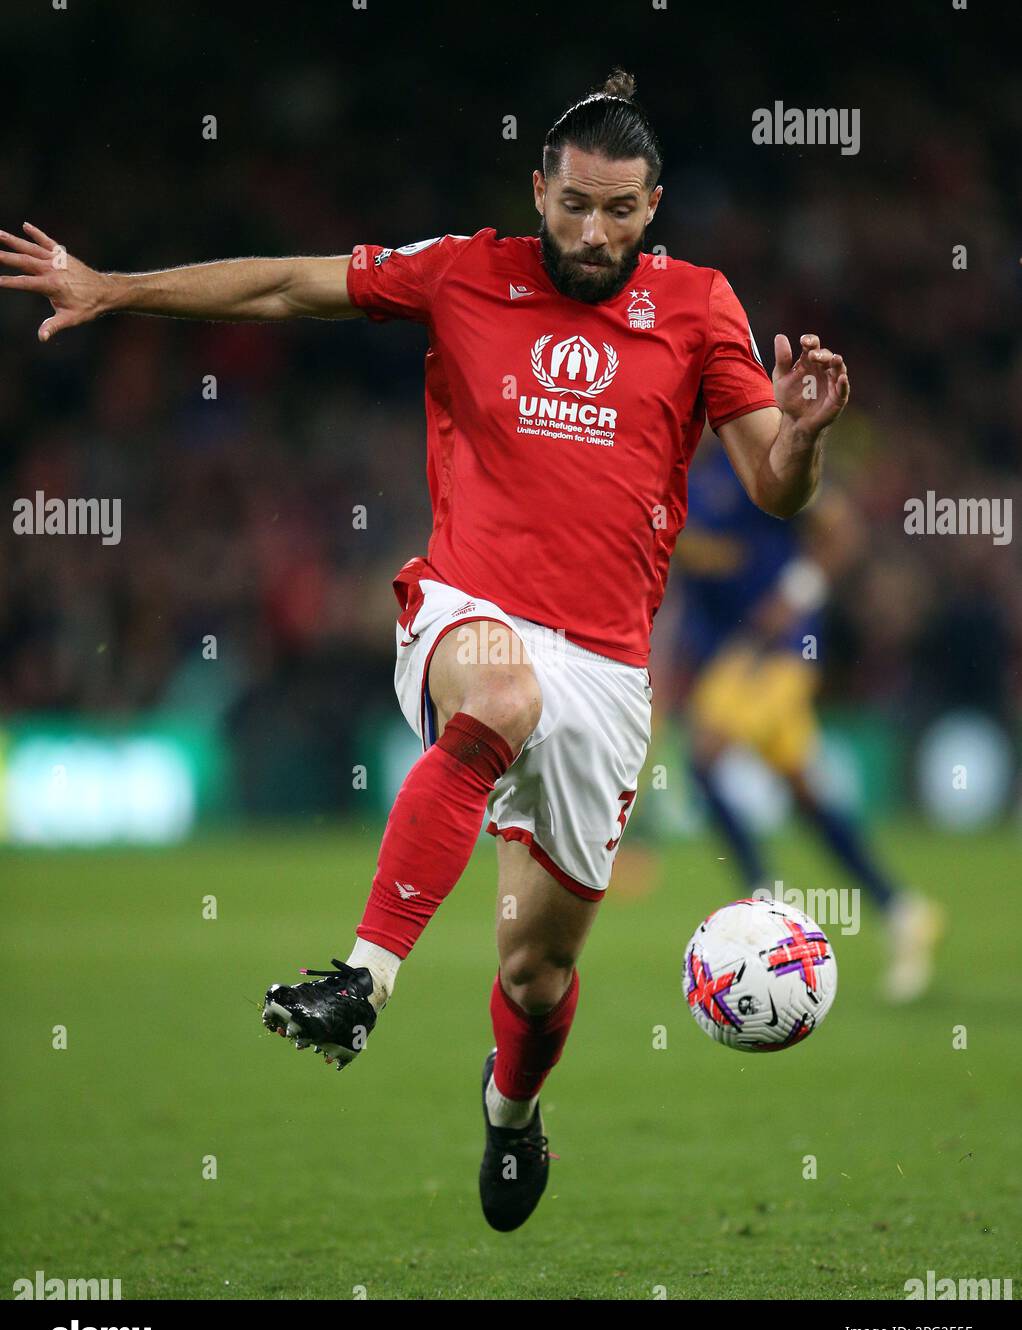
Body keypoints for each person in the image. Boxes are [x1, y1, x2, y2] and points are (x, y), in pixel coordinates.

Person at [0, 68, 850, 1232]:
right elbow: (293, 287)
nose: (591, 231)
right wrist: (116, 288)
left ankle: (509, 1112)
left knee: (532, 978)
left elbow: (773, 485)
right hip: (469, 606)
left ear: (651, 207)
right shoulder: (465, 271)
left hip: (605, 669)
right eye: (571, 205)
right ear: (536, 188)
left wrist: (799, 437)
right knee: (496, 689)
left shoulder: (700, 306)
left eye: (618, 211)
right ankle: (363, 976)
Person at [673, 440, 943, 1002]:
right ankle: (902, 909)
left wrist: (797, 594)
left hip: (777, 649)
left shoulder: (749, 460)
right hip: (729, 653)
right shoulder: (673, 475)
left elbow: (841, 527)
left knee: (704, 753)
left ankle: (761, 895)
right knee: (804, 794)